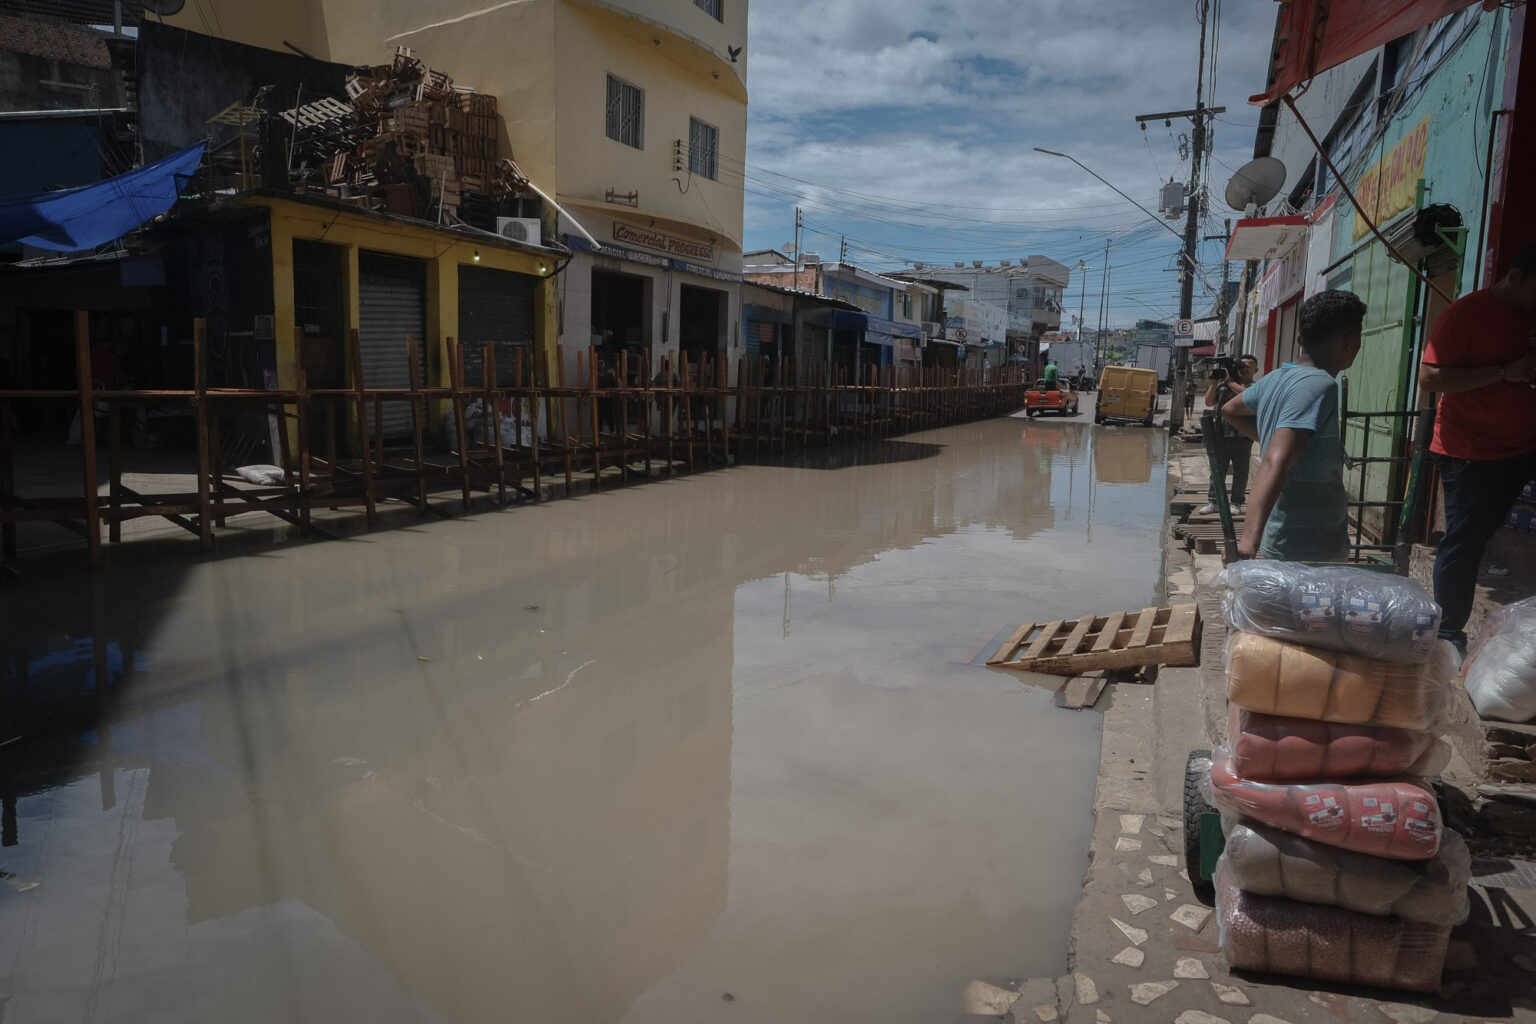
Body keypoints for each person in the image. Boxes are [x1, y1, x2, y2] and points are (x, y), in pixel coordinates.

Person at [1419, 241, 1536, 652]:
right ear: (1517, 277)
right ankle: (1448, 636)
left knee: (1481, 536)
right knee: (1466, 540)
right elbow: (1430, 378)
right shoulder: (1466, 313)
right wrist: (1504, 372)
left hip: (1523, 446)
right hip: (1469, 451)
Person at [1221, 290, 1365, 563]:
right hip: (1309, 549)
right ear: (1350, 341)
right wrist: (1247, 544)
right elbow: (1275, 460)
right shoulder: (1319, 385)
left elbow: (1230, 410)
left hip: (1288, 540)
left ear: (1301, 339)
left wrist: (1268, 436)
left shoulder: (1275, 378)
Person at [1198, 353, 1259, 515]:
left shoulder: (1254, 386)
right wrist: (1214, 383)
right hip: (1220, 433)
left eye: (1248, 365)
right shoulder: (1226, 385)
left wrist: (1229, 381)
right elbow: (1209, 402)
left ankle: (1236, 503)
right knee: (1217, 470)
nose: (1244, 368)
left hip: (1242, 435)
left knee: (1240, 471)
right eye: (1242, 364)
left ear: (1256, 369)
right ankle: (1214, 502)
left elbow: (1248, 396)